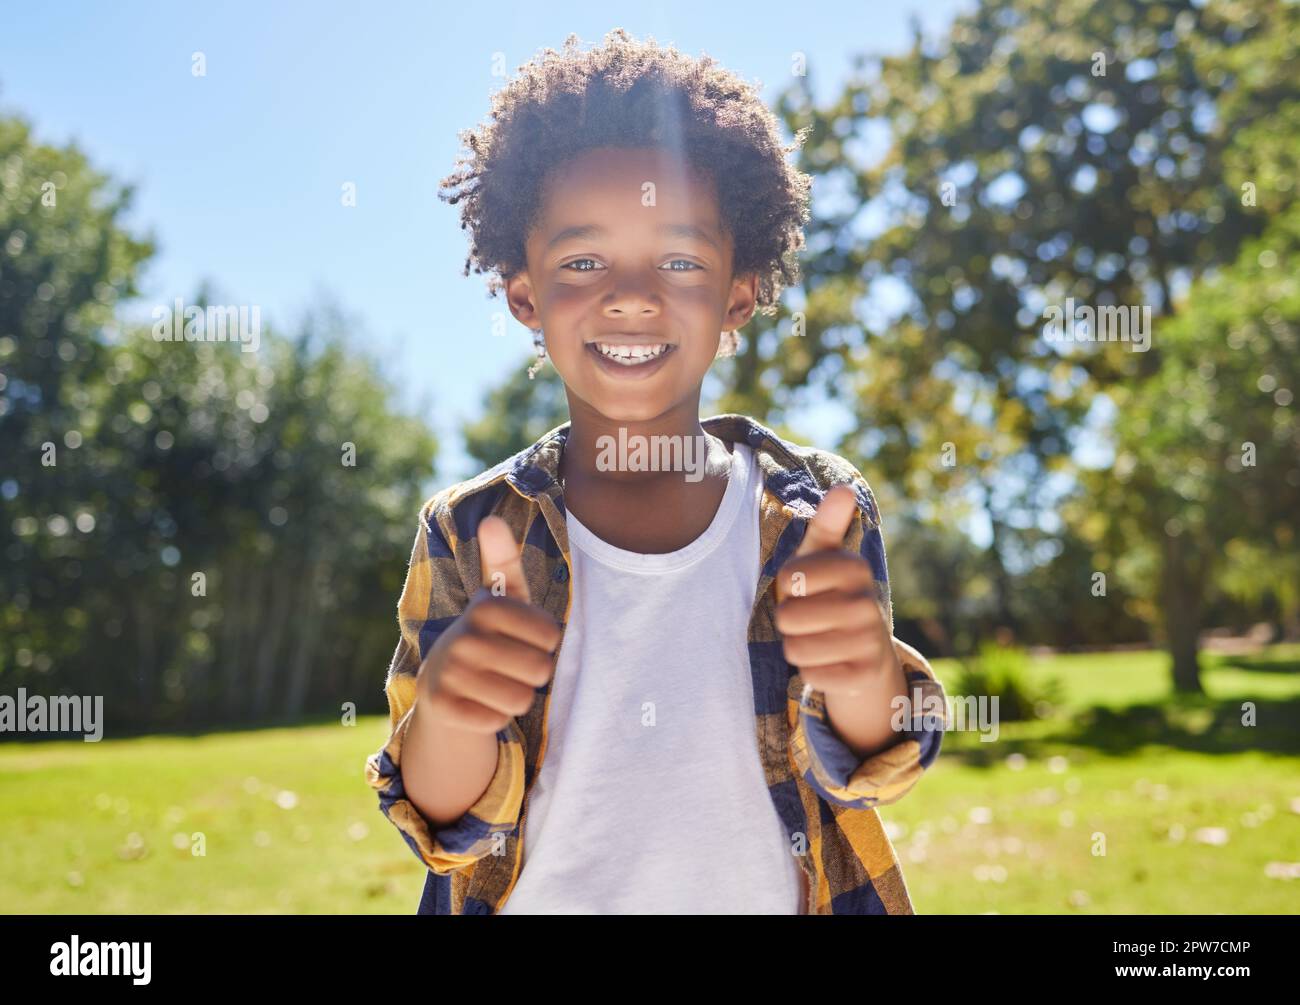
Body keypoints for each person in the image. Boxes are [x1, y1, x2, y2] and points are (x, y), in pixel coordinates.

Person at [364, 28, 948, 915]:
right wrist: (450, 713)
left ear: (737, 297)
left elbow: (870, 766)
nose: (631, 292)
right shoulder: (469, 527)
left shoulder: (812, 511)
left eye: (678, 260)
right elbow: (446, 822)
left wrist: (867, 674)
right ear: (524, 295)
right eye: (583, 260)